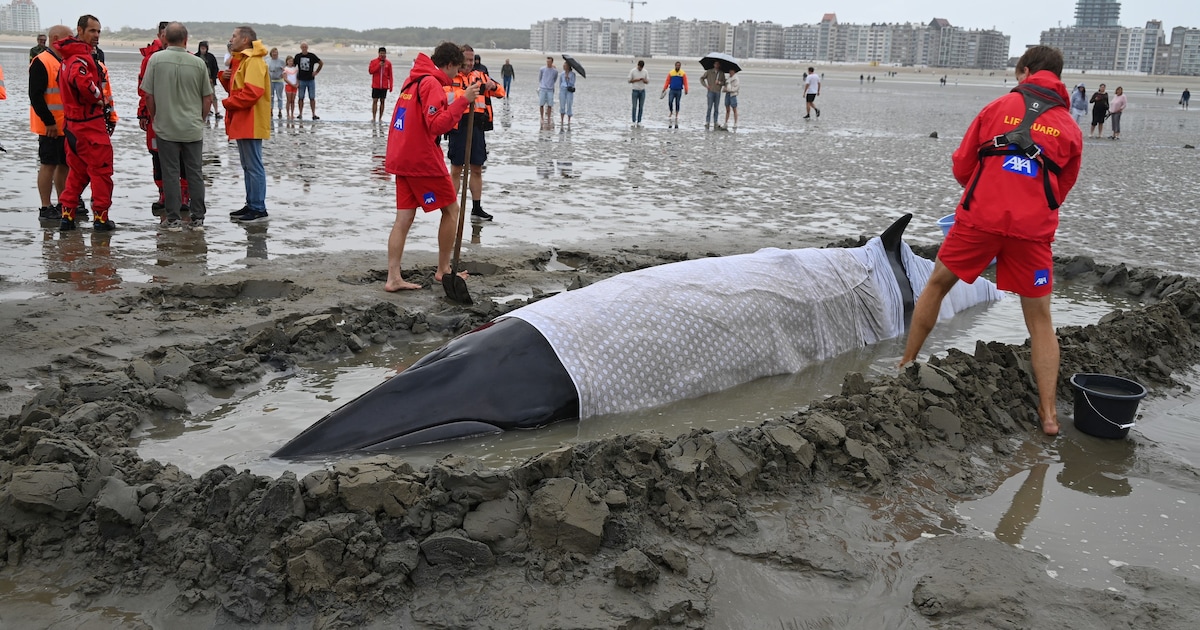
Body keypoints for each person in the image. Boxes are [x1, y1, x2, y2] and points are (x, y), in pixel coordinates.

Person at [900, 45, 1083, 437]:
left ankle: (906, 363)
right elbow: (1063, 186)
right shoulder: (1069, 127)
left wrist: (992, 189)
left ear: (1025, 71)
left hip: (979, 219)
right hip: (1032, 231)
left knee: (937, 285)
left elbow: (962, 165)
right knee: (1040, 320)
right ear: (1058, 77)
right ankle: (1049, 415)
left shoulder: (996, 108)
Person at [383, 42, 480, 291]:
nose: (457, 74)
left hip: (401, 156)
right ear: (449, 64)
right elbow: (437, 125)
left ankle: (393, 277)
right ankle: (443, 269)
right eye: (457, 68)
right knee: (452, 209)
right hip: (421, 159)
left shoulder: (413, 79)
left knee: (404, 218)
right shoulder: (431, 83)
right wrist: (463, 101)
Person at [141, 22, 213, 231]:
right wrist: (200, 119)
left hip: (166, 127)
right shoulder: (198, 63)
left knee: (170, 173)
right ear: (186, 39)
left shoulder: (155, 60)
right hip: (191, 127)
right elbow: (207, 98)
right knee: (194, 172)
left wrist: (155, 117)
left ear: (165, 38)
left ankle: (173, 219)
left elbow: (148, 95)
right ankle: (197, 218)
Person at [55, 15, 117, 232]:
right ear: (80, 31)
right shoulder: (79, 60)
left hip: (73, 127)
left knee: (77, 173)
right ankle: (101, 218)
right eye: (92, 31)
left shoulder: (67, 59)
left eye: (98, 31)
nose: (96, 35)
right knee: (101, 172)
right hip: (89, 127)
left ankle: (67, 215)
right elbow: (84, 84)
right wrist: (99, 98)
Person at [448, 44, 505, 221]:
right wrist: (466, 94)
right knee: (456, 169)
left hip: (477, 126)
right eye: (466, 59)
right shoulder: (452, 76)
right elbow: (446, 97)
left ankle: (477, 207)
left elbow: (501, 92)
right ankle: (451, 206)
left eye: (472, 59)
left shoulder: (480, 75)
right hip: (458, 126)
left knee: (477, 168)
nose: (469, 63)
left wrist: (492, 86)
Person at [220, 26, 271, 222]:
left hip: (251, 120)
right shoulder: (243, 61)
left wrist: (228, 103)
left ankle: (257, 207)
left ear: (245, 40)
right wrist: (224, 78)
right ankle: (252, 204)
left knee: (253, 165)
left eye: (234, 36)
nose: (231, 39)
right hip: (243, 119)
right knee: (248, 165)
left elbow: (252, 93)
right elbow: (237, 89)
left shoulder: (254, 61)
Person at [139, 21, 188, 218]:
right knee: (157, 156)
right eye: (163, 35)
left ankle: (183, 195)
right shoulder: (150, 59)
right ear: (160, 36)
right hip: (156, 117)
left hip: (178, 115)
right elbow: (144, 90)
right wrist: (143, 113)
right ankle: (163, 194)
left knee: (182, 156)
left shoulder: (188, 58)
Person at [29, 25, 74, 222]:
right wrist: (48, 122)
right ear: (56, 39)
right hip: (50, 126)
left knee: (64, 164)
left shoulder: (63, 61)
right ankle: (45, 207)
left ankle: (62, 203)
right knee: (48, 164)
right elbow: (35, 96)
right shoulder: (41, 61)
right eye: (68, 38)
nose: (72, 41)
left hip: (65, 125)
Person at [294, 41, 322, 120]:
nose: (304, 48)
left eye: (305, 47)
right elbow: (292, 65)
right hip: (301, 79)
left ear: (307, 47)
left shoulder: (311, 56)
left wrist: (316, 72)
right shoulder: (298, 56)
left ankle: (313, 114)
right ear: (301, 48)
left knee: (312, 97)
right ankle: (300, 114)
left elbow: (321, 63)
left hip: (310, 80)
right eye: (303, 47)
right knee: (301, 98)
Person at [195, 41, 221, 120]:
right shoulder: (196, 57)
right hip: (199, 80)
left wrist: (213, 78)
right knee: (200, 96)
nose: (203, 50)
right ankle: (205, 110)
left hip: (210, 80)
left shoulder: (211, 57)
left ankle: (216, 111)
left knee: (212, 95)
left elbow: (215, 68)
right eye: (201, 48)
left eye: (204, 48)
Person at [369, 47, 393, 123]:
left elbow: (390, 75)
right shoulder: (373, 61)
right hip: (376, 85)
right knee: (375, 100)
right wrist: (378, 65)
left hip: (384, 86)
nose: (382, 55)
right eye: (381, 53)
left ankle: (380, 118)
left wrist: (391, 86)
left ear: (385, 54)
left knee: (382, 101)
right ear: (379, 53)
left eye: (384, 53)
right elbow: (371, 71)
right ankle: (373, 118)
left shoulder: (388, 63)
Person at [662, 61, 688, 128]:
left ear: (680, 66)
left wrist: (686, 89)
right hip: (672, 90)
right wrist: (664, 88)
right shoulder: (671, 73)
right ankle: (671, 111)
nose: (678, 66)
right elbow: (667, 81)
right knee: (670, 101)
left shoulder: (682, 73)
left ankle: (676, 113)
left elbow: (685, 82)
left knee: (677, 102)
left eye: (679, 65)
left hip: (679, 90)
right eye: (677, 65)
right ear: (675, 66)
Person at [700, 60, 724, 128]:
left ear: (719, 65)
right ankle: (707, 121)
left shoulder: (721, 73)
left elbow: (724, 82)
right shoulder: (709, 72)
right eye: (715, 64)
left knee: (716, 108)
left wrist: (719, 82)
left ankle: (715, 121)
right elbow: (702, 78)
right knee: (709, 107)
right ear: (714, 65)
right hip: (710, 91)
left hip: (718, 92)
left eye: (718, 64)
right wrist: (706, 86)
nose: (717, 65)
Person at [538, 56, 557, 128]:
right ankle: (542, 117)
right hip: (543, 88)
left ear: (552, 62)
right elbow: (540, 78)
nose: (548, 63)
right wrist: (542, 85)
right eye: (547, 61)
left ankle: (549, 118)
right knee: (541, 104)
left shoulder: (555, 71)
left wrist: (551, 85)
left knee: (550, 105)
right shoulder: (542, 69)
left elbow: (555, 79)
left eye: (549, 62)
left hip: (550, 89)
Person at [266, 47, 285, 119]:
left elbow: (286, 69)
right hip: (270, 81)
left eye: (276, 52)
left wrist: (283, 73)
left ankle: (280, 111)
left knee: (279, 96)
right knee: (271, 96)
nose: (275, 54)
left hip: (279, 81)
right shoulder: (267, 61)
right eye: (274, 52)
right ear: (271, 53)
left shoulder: (281, 61)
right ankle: (271, 110)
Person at [628, 59, 649, 124]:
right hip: (635, 90)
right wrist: (636, 80)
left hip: (642, 91)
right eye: (639, 67)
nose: (640, 69)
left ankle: (639, 120)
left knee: (641, 107)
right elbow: (629, 80)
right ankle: (633, 120)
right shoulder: (633, 71)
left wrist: (644, 80)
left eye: (641, 68)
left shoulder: (645, 71)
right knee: (634, 106)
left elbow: (647, 81)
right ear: (638, 65)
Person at [559, 61, 575, 128]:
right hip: (563, 90)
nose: (564, 67)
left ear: (568, 66)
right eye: (564, 65)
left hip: (569, 90)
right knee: (562, 104)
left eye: (565, 65)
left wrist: (568, 79)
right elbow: (560, 83)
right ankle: (562, 119)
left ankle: (569, 120)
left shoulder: (572, 74)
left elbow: (573, 83)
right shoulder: (562, 74)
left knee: (569, 104)